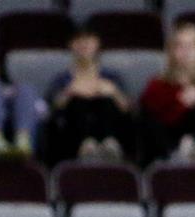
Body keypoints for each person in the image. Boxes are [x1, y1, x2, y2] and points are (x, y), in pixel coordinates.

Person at [137, 21, 195, 165]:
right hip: (168, 147)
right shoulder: (157, 85)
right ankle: (178, 153)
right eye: (180, 46)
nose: (186, 52)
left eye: (191, 46)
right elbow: (149, 124)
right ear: (171, 52)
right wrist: (180, 104)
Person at [43, 24, 133, 166]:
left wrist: (113, 92)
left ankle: (110, 144)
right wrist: (70, 91)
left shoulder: (113, 76)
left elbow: (128, 108)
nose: (84, 44)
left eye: (89, 40)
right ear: (71, 45)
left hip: (111, 127)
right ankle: (86, 146)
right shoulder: (62, 79)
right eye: (79, 40)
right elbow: (50, 109)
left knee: (105, 100)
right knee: (78, 101)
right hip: (73, 134)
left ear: (97, 44)